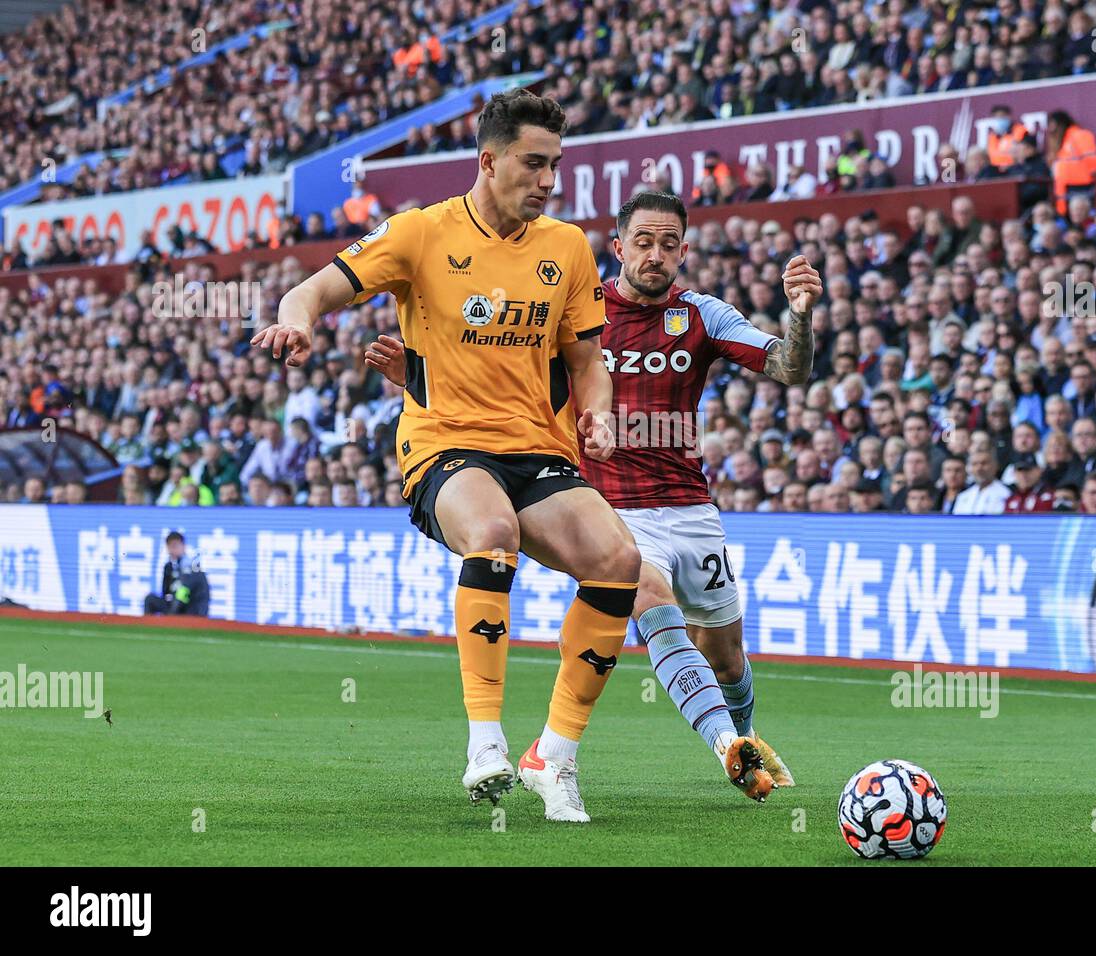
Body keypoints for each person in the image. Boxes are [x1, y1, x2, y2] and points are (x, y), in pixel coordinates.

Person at [252, 89, 642, 824]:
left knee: (619, 561)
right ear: (488, 162)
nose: (548, 181)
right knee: (492, 533)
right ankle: (485, 739)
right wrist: (295, 322)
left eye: (555, 166)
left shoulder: (566, 248)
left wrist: (598, 412)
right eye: (533, 164)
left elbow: (589, 362)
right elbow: (315, 289)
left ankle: (554, 756)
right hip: (446, 445)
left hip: (537, 448)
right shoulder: (421, 232)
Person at [367, 189, 823, 801]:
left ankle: (745, 737)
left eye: (668, 244)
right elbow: (495, 373)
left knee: (727, 658)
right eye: (643, 242)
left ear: (684, 252)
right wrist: (419, 377)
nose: (655, 254)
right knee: (649, 598)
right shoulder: (577, 309)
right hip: (607, 508)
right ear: (618, 247)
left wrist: (799, 316)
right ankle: (725, 746)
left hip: (691, 508)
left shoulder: (703, 316)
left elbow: (789, 368)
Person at [142, 532, 209, 617]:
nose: (171, 550)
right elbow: (166, 593)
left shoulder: (193, 567)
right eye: (169, 547)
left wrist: (170, 616)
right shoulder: (169, 567)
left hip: (191, 610)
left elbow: (183, 593)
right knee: (150, 599)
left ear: (183, 546)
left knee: (179, 599)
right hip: (174, 606)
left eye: (175, 546)